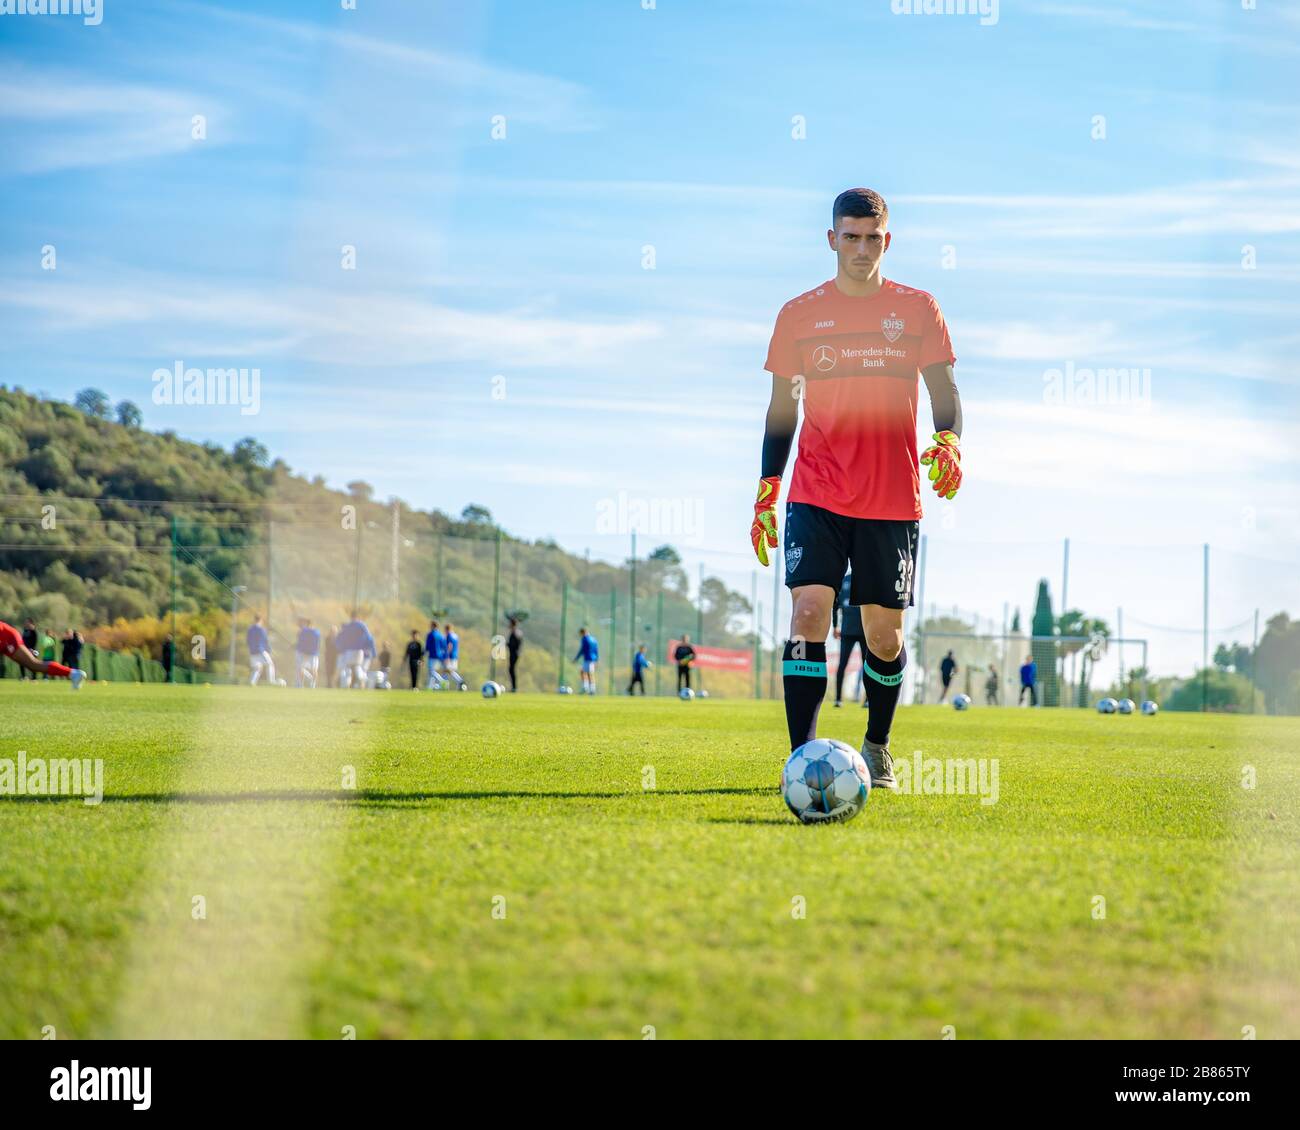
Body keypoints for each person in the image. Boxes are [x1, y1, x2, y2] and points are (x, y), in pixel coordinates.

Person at [751, 187, 962, 790]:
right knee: (809, 613)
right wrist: (768, 487)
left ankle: (878, 746)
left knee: (882, 634)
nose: (862, 249)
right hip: (815, 491)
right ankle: (803, 759)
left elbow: (945, 396)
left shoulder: (919, 309)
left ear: (886, 241)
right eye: (851, 237)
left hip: (892, 496)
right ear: (831, 239)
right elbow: (780, 411)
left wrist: (948, 441)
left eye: (873, 238)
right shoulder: (798, 314)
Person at [1, 619, 85, 688]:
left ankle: (73, 673)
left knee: (33, 664)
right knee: (33, 665)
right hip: (5, 636)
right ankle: (73, 673)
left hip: (7, 637)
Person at [832, 572, 866, 708]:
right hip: (847, 631)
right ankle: (838, 699)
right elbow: (835, 605)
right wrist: (835, 626)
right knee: (842, 664)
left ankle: (868, 700)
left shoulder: (867, 578)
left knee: (868, 667)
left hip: (865, 631)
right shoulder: (843, 580)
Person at [335, 614, 375, 689]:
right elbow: (369, 638)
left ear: (351, 618)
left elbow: (341, 638)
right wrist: (370, 649)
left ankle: (346, 685)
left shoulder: (348, 626)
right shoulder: (362, 626)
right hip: (359, 651)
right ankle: (363, 682)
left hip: (350, 651)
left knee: (348, 668)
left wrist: (341, 649)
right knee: (357, 667)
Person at [248, 614, 275, 685]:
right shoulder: (261, 630)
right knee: (270, 664)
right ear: (261, 620)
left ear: (254, 620)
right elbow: (265, 641)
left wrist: (251, 649)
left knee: (257, 668)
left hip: (252, 652)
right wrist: (269, 650)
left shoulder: (250, 629)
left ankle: (252, 682)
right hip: (261, 650)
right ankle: (271, 681)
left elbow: (248, 640)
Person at [295, 618, 321, 688]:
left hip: (303, 653)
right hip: (313, 653)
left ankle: (300, 685)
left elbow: (298, 636)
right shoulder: (317, 632)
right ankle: (313, 685)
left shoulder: (303, 631)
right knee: (314, 669)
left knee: (301, 668)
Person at [574, 627, 599, 694]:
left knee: (588, 673)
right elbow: (596, 650)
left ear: (582, 633)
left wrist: (576, 658)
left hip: (588, 658)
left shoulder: (585, 639)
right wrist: (596, 660)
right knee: (585, 672)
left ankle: (589, 689)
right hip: (593, 659)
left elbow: (582, 650)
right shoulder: (594, 639)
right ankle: (589, 688)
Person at [442, 624, 467, 689]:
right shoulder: (455, 636)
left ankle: (460, 681)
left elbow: (449, 646)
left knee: (448, 671)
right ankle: (444, 686)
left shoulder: (449, 635)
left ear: (447, 629)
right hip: (455, 655)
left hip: (450, 656)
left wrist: (447, 656)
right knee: (448, 671)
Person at [424, 620, 446, 690]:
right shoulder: (440, 635)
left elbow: (427, 646)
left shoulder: (430, 634)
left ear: (433, 626)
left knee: (431, 671)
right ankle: (430, 687)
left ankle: (442, 681)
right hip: (440, 656)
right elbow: (444, 646)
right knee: (433, 672)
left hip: (432, 655)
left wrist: (424, 653)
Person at [506, 616, 523, 692]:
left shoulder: (515, 633)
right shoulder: (517, 632)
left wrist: (507, 644)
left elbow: (513, 645)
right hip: (515, 653)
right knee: (511, 670)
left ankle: (514, 687)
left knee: (511, 670)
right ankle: (514, 687)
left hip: (514, 654)